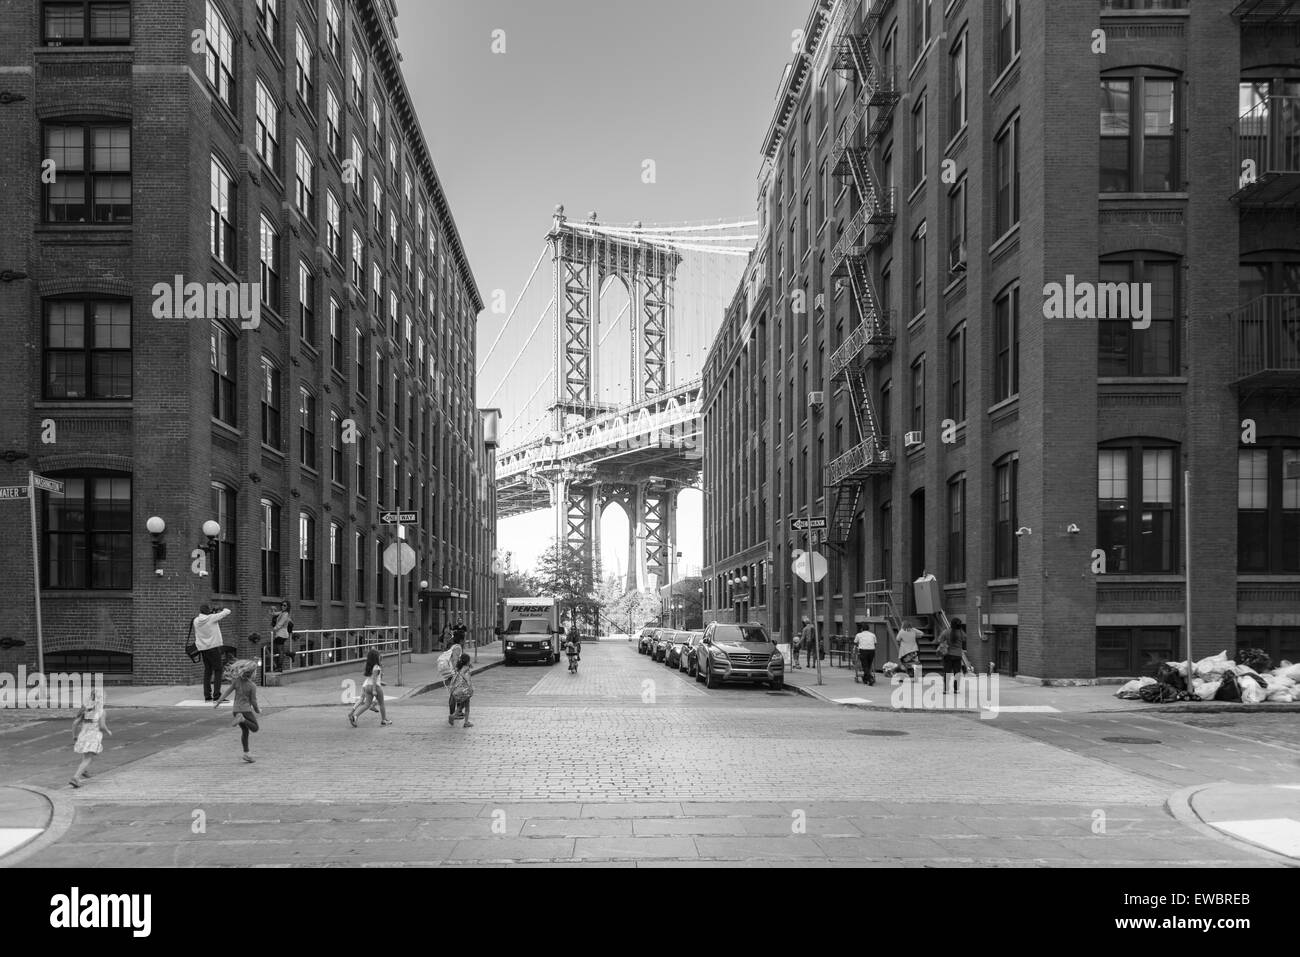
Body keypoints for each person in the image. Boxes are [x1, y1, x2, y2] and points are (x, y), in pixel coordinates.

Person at [214, 661, 261, 763]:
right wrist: (257, 710)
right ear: (252, 674)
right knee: (255, 728)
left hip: (236, 711)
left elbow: (227, 691)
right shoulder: (252, 686)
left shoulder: (236, 681)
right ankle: (242, 719)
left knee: (245, 731)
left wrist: (219, 701)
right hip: (245, 711)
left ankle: (246, 754)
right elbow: (253, 701)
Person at [69, 689, 111, 788]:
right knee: (88, 758)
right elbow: (101, 726)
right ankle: (75, 778)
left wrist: (74, 736)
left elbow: (75, 723)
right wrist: (108, 731)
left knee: (86, 756)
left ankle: (84, 770)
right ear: (100, 699)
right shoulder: (101, 711)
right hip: (93, 737)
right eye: (104, 698)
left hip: (83, 735)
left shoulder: (86, 709)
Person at [194, 603, 232, 702]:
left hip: (203, 649)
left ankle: (207, 695)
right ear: (208, 611)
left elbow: (206, 619)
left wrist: (212, 613)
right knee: (218, 670)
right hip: (213, 648)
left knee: (207, 671)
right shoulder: (212, 618)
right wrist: (221, 608)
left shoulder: (196, 620)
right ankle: (217, 695)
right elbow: (227, 611)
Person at [348, 649, 392, 727]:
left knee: (366, 704)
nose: (379, 656)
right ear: (376, 657)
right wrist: (374, 690)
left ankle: (355, 716)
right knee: (382, 704)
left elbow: (371, 678)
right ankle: (384, 720)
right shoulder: (377, 667)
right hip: (375, 687)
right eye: (378, 655)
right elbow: (374, 679)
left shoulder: (370, 667)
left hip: (367, 686)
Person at [937, 618, 968, 696]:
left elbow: (939, 640)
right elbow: (965, 639)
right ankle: (956, 689)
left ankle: (946, 690)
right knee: (957, 673)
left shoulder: (946, 631)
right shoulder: (961, 633)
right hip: (958, 655)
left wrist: (945, 643)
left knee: (947, 672)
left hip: (948, 655)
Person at [448, 654, 474, 728]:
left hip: (460, 689)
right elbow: (463, 673)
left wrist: (469, 666)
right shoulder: (465, 667)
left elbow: (460, 672)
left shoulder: (460, 667)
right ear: (467, 661)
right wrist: (468, 682)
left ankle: (453, 716)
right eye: (469, 660)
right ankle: (466, 722)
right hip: (465, 689)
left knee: (462, 705)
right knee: (467, 706)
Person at [270, 601, 294, 672]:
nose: (282, 606)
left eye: (284, 605)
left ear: (287, 607)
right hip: (281, 634)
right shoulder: (282, 612)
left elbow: (280, 624)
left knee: (277, 649)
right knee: (280, 650)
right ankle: (290, 654)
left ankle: (279, 667)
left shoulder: (285, 614)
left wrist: (274, 629)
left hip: (281, 634)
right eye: (282, 605)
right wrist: (273, 609)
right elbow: (274, 614)